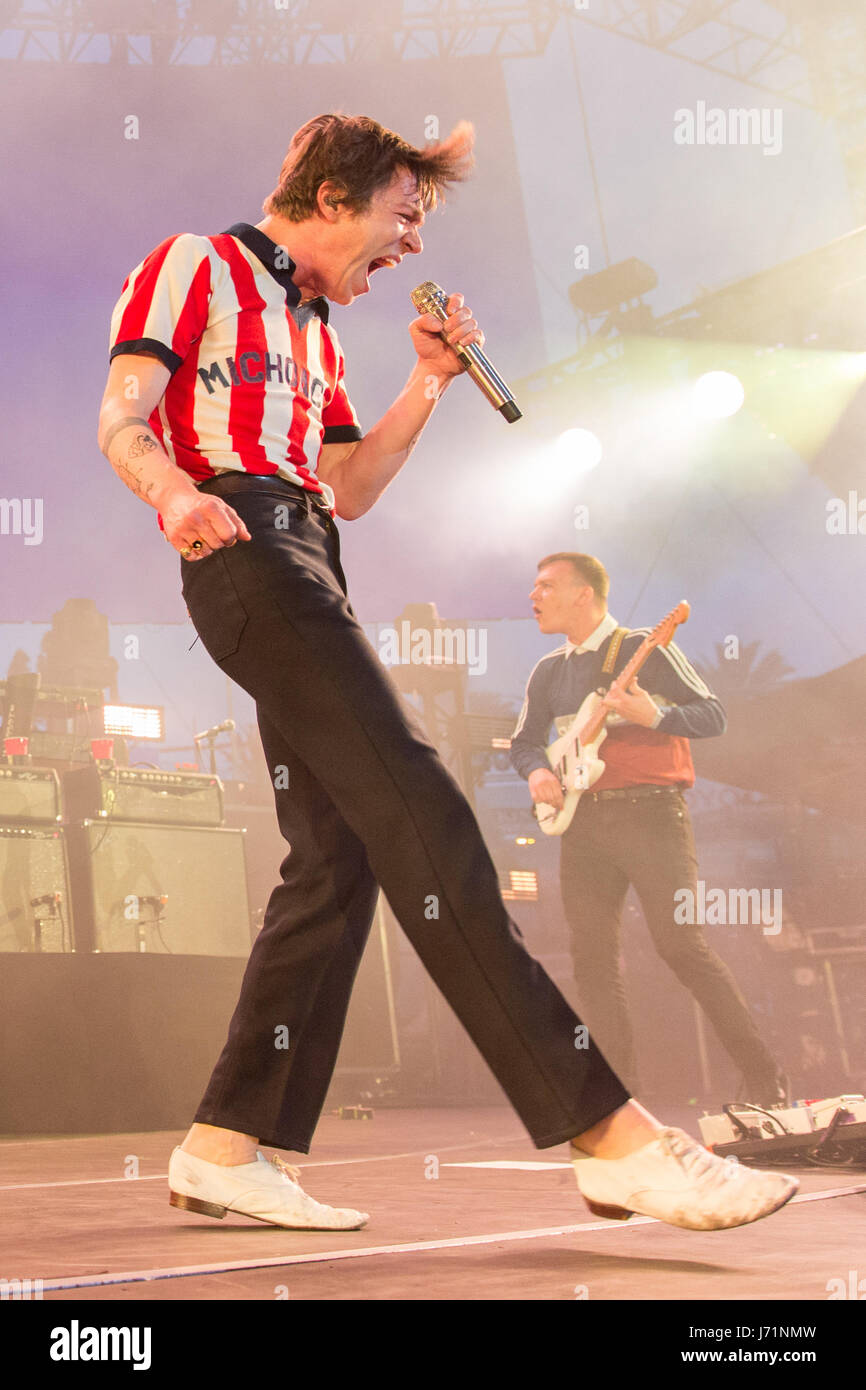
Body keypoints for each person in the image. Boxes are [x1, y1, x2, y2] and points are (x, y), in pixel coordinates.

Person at [98, 113, 796, 1234]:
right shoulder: (199, 264)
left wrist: (425, 383)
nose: (411, 246)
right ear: (333, 199)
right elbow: (121, 417)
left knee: (335, 858)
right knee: (424, 812)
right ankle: (608, 1135)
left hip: (308, 555)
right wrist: (174, 494)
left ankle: (227, 1143)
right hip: (240, 544)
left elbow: (352, 487)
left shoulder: (319, 333)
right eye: (401, 217)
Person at [511, 552, 787, 1107]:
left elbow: (713, 715)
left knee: (681, 946)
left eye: (545, 586)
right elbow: (523, 742)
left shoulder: (644, 648)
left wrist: (654, 718)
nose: (533, 597)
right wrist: (539, 770)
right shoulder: (548, 671)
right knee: (591, 956)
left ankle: (764, 1077)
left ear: (583, 594)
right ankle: (620, 1096)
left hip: (652, 817)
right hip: (583, 825)